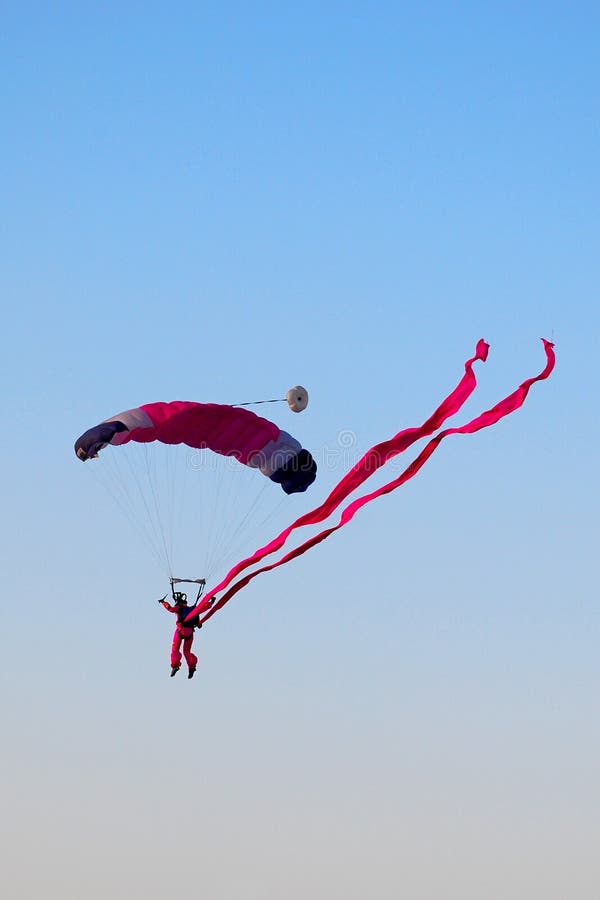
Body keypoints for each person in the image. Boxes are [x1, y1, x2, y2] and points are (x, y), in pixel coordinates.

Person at [159, 591, 213, 679]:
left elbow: (170, 609)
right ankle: (191, 668)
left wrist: (163, 602)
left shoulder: (178, 608)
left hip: (180, 632)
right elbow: (203, 608)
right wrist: (211, 602)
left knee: (175, 649)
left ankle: (175, 665)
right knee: (186, 652)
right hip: (190, 634)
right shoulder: (193, 610)